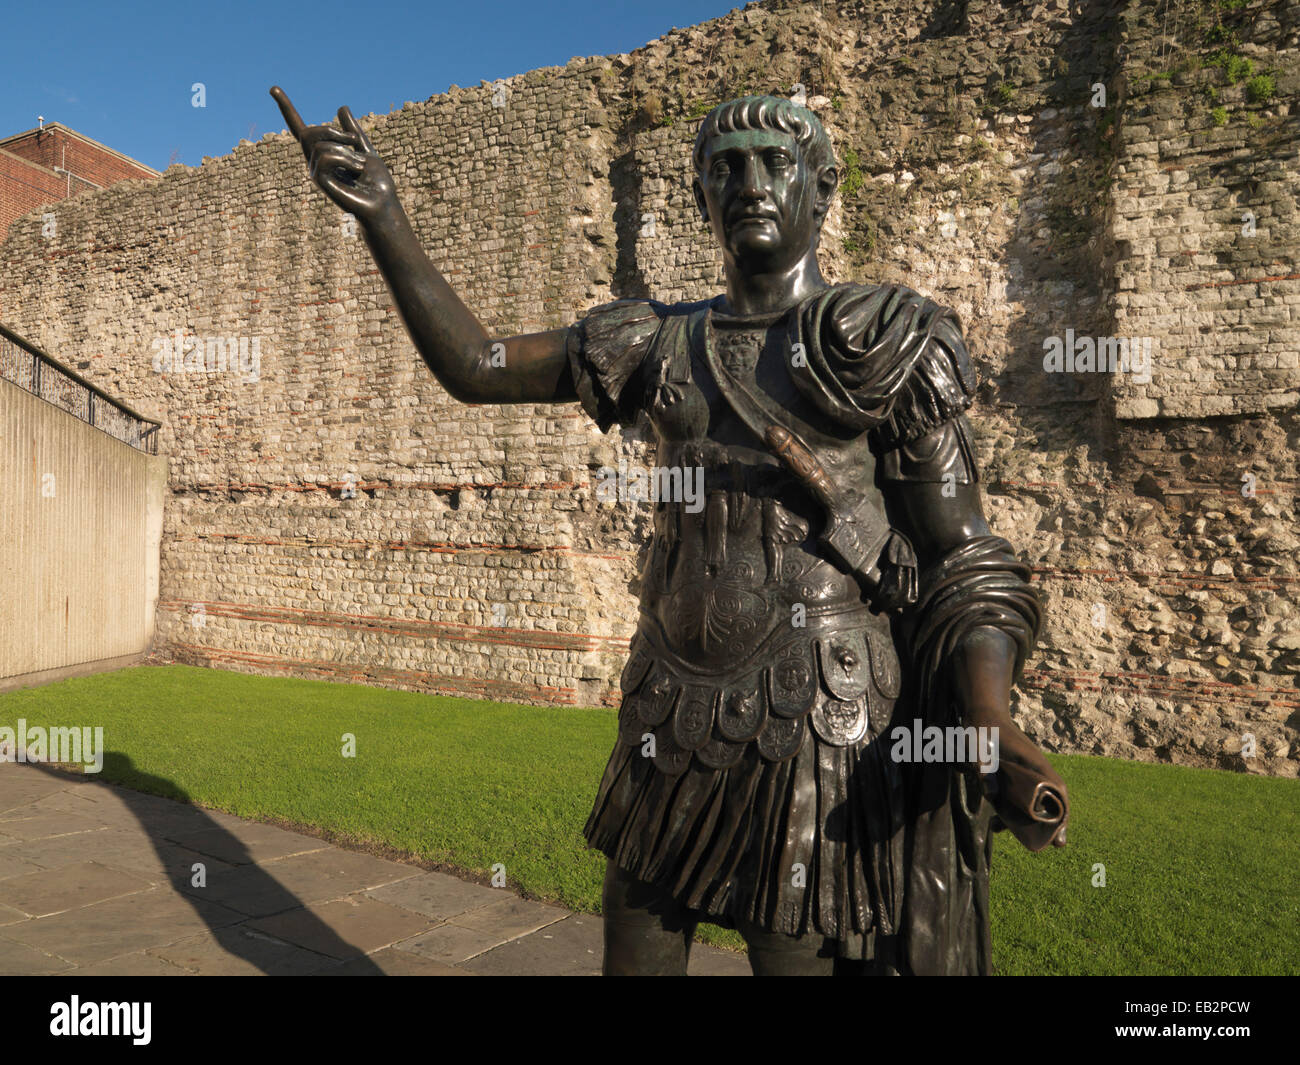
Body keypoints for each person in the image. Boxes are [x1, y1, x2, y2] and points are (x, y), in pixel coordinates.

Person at [273, 87, 1068, 976]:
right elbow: (475, 365)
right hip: (668, 709)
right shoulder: (652, 342)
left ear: (822, 186)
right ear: (699, 197)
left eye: (776, 162)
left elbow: (964, 556)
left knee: (793, 954)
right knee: (635, 952)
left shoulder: (884, 340)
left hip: (818, 711)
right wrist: (385, 216)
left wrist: (988, 716)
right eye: (725, 168)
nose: (750, 183)